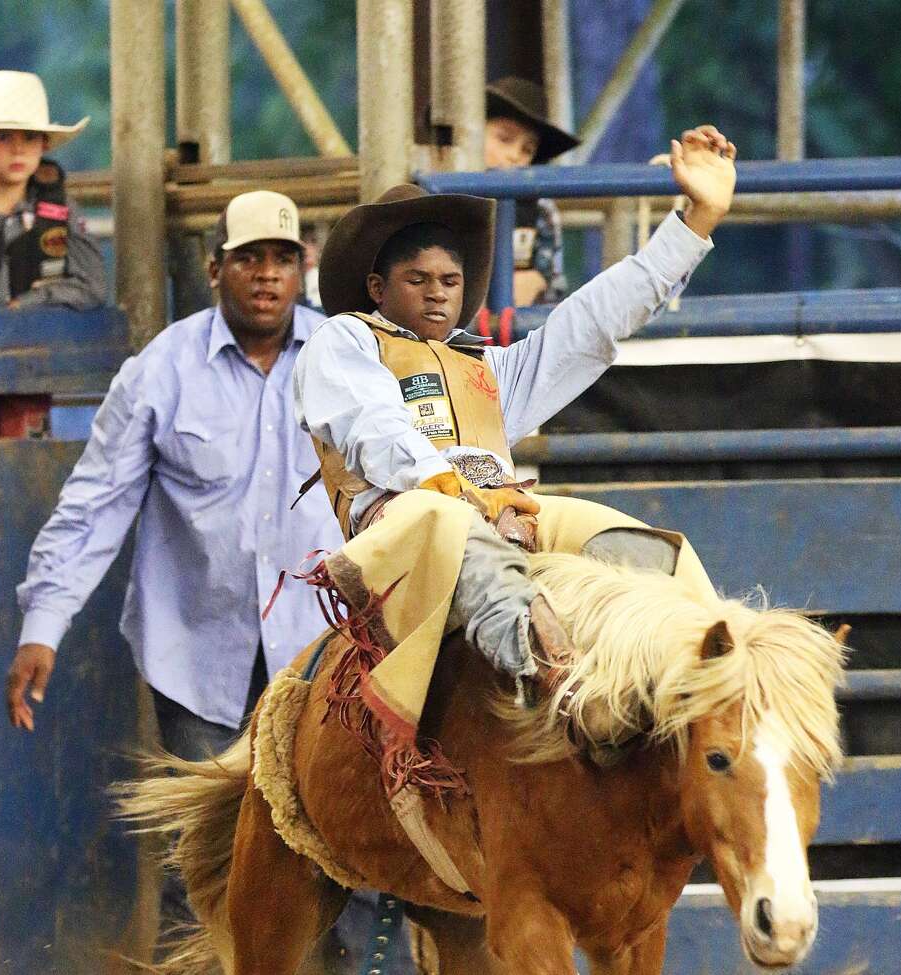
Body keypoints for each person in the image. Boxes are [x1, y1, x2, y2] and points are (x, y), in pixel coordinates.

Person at [5, 190, 410, 973]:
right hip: (199, 653)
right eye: (251, 258)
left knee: (348, 841)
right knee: (213, 851)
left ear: (305, 270)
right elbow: (97, 501)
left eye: (283, 260)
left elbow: (401, 486)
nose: (267, 276)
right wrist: (42, 623)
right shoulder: (162, 370)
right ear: (214, 266)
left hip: (326, 648)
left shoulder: (349, 359)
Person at [294, 125, 736, 746]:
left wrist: (696, 220)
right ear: (377, 289)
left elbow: (586, 326)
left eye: (449, 281)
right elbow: (374, 429)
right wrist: (453, 487)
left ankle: (717, 679)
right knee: (450, 526)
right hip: (405, 527)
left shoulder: (487, 368)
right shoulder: (343, 340)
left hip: (504, 513)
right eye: (417, 280)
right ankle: (563, 687)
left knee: (638, 544)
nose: (438, 293)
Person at [0, 70, 105, 310]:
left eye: (29, 137)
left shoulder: (62, 210)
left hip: (36, 343)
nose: (18, 149)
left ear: (43, 145)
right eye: (3, 137)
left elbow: (92, 287)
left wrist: (29, 302)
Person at [483, 76, 579, 307]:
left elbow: (548, 288)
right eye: (504, 139)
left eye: (527, 149)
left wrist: (536, 281)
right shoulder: (438, 195)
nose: (515, 155)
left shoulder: (540, 208)